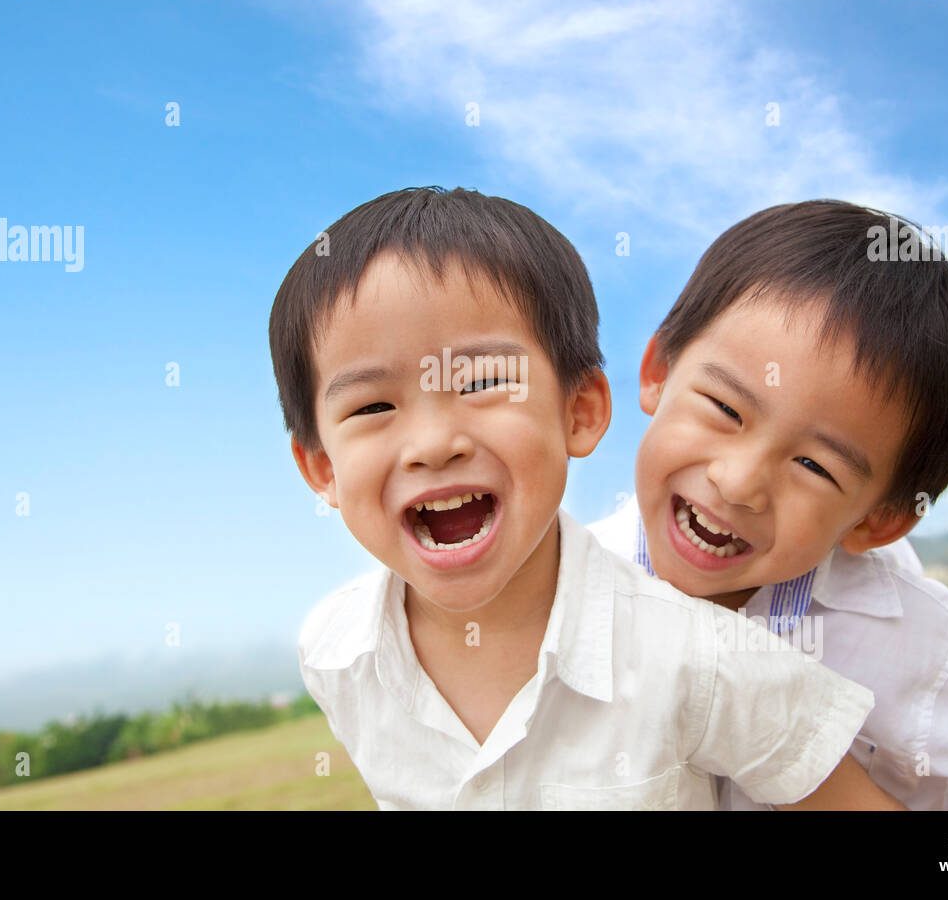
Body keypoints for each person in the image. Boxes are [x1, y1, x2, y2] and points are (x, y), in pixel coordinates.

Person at [269, 186, 902, 810]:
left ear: (580, 411)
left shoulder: (700, 658)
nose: (433, 445)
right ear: (322, 467)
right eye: (373, 407)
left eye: (483, 381)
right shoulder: (334, 651)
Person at [589, 199, 948, 810]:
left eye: (814, 466)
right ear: (659, 371)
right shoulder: (570, 584)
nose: (739, 483)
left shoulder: (907, 641)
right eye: (725, 408)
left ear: (878, 520)